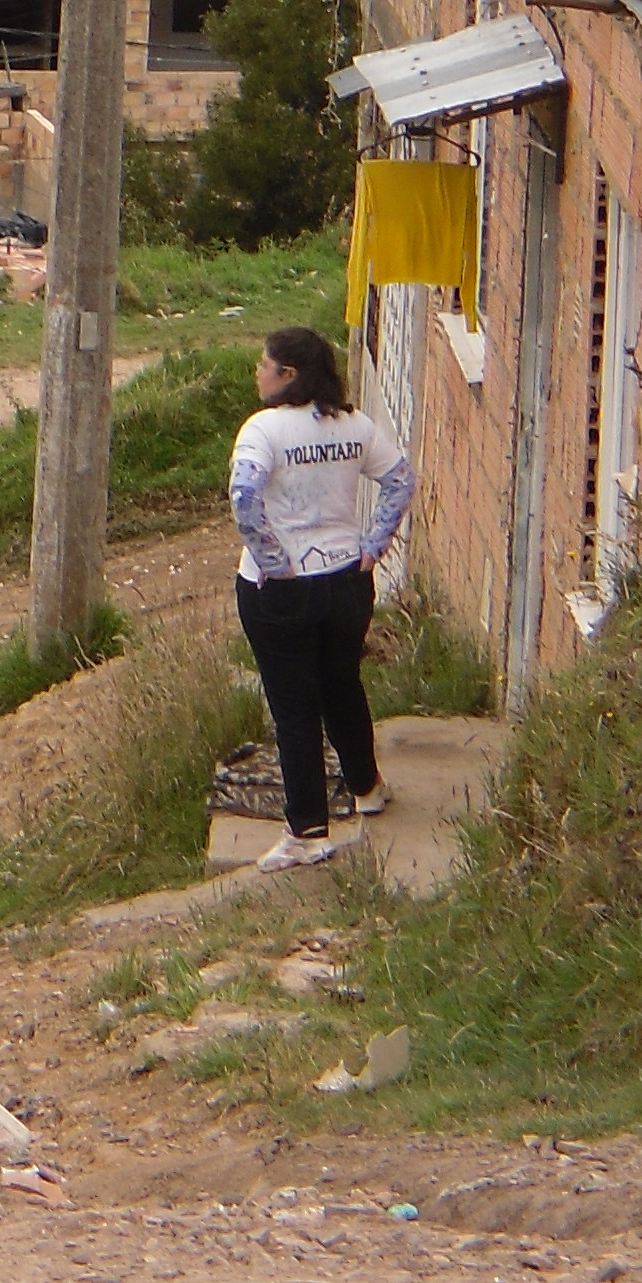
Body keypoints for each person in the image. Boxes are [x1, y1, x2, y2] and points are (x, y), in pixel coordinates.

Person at [231, 325, 415, 873]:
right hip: (346, 580)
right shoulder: (355, 425)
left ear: (288, 375)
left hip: (280, 590)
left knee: (293, 708)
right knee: (342, 684)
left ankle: (308, 830)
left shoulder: (262, 430)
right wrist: (373, 545)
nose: (257, 373)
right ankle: (366, 785)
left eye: (264, 365)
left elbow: (244, 496)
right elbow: (401, 480)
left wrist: (273, 562)